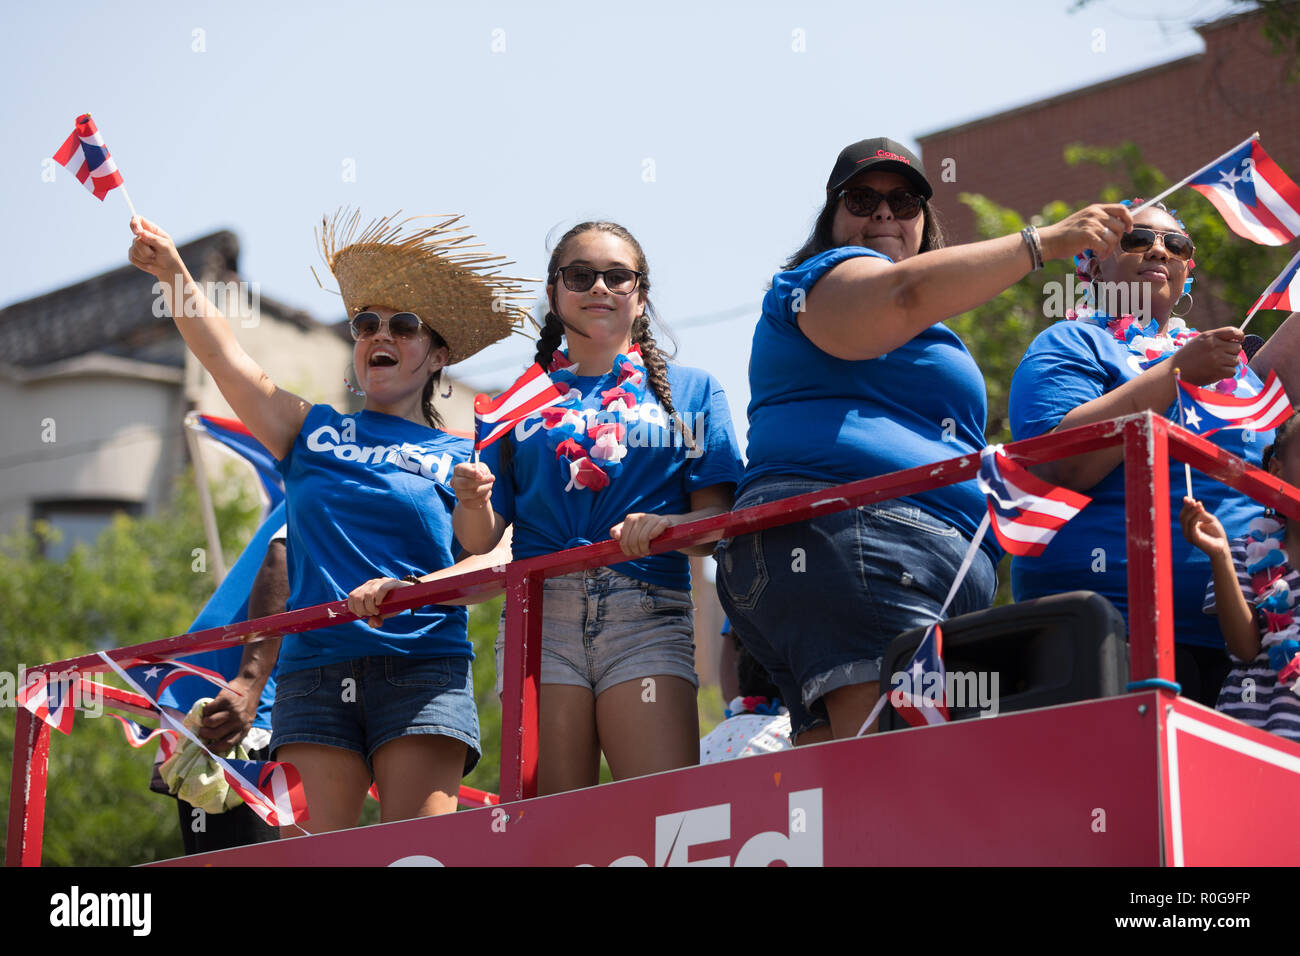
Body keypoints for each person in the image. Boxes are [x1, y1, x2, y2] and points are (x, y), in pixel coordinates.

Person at [715, 136, 1127, 743]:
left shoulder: (927, 328)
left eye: (904, 202)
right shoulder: (816, 280)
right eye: (861, 198)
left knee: (845, 780)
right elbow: (901, 294)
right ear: (831, 220)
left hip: (887, 559)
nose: (883, 213)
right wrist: (1045, 243)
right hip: (853, 540)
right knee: (904, 771)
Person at [129, 210, 523, 833]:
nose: (378, 334)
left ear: (439, 352)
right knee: (314, 857)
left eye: (404, 325)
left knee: (416, 853)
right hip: (313, 669)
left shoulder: (467, 454)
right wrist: (173, 272)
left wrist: (417, 591)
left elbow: (499, 558)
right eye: (366, 324)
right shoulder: (310, 430)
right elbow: (224, 358)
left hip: (421, 667)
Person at [451, 221, 744, 795]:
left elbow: (717, 521)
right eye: (581, 276)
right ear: (555, 293)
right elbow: (479, 540)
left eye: (618, 276)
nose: (599, 288)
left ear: (642, 296)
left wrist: (669, 526)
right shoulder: (515, 400)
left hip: (647, 609)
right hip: (541, 616)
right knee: (553, 830)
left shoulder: (692, 390)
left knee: (664, 817)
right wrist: (472, 499)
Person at [1009, 198, 1271, 706]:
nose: (1158, 250)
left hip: (1246, 640)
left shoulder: (1230, 366)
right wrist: (1174, 374)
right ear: (1095, 262)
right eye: (1137, 239)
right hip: (1115, 626)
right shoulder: (1070, 342)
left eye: (1176, 245)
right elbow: (1059, 463)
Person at [1181, 413, 1300, 741]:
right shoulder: (1243, 553)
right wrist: (1219, 555)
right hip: (1254, 735)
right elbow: (1243, 647)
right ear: (1277, 472)